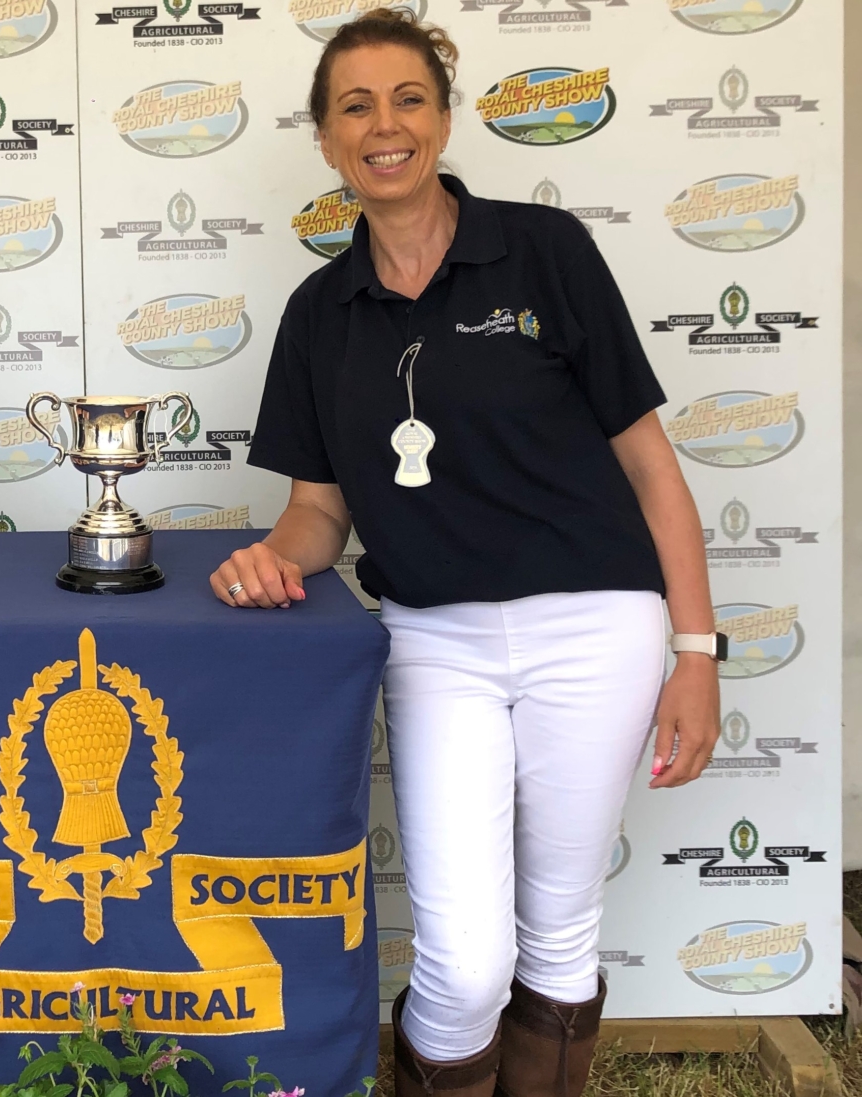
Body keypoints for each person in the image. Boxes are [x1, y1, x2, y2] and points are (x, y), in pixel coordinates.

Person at [208, 12, 718, 1097]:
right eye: (355, 106)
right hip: (434, 639)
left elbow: (654, 467)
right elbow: (318, 512)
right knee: (465, 961)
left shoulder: (546, 252)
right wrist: (273, 558)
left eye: (407, 99)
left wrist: (697, 652)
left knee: (562, 931)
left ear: (442, 118)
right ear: (326, 137)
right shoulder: (317, 315)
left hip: (601, 626)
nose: (383, 126)